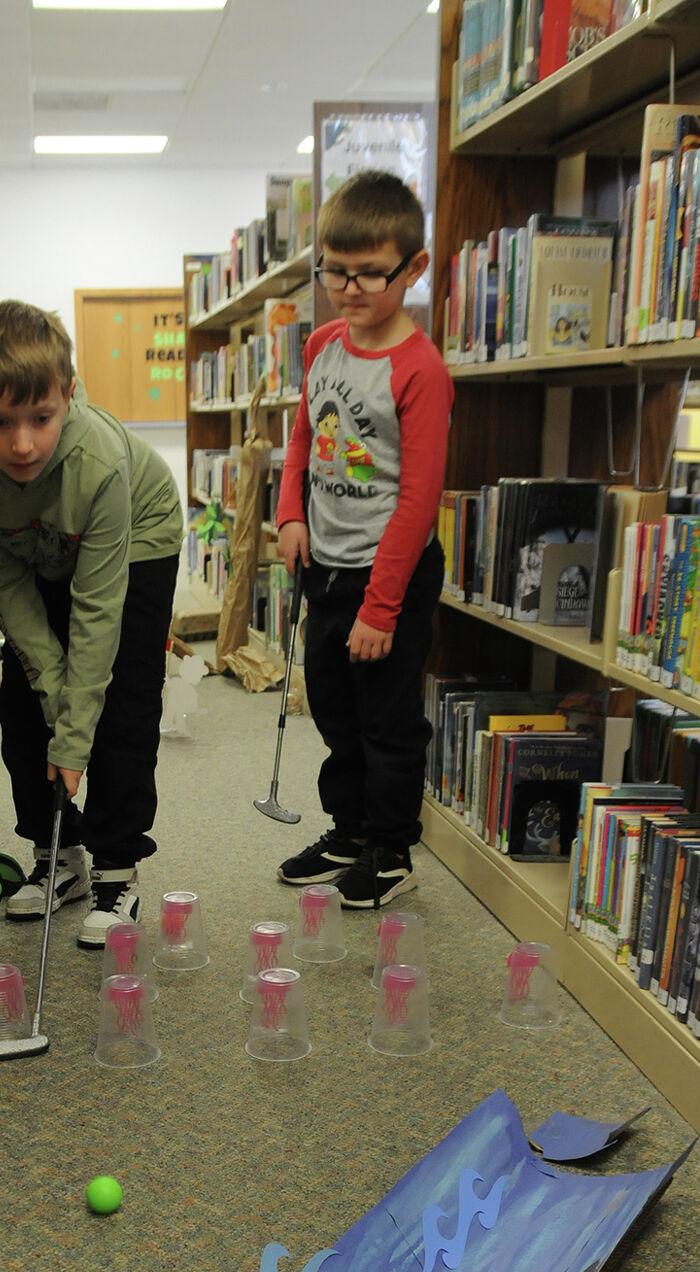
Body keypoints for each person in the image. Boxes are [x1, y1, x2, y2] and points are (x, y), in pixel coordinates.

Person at [0, 300, 182, 948]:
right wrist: (54, 699)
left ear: (68, 395)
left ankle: (117, 868)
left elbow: (98, 613)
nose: (22, 444)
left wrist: (74, 740)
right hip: (38, 551)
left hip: (137, 538)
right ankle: (60, 853)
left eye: (41, 419)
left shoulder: (99, 461)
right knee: (23, 707)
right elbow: (6, 585)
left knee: (121, 704)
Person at [276, 169, 454, 907]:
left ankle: (390, 847)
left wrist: (381, 607)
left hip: (391, 574)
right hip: (326, 565)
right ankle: (349, 830)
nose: (349, 289)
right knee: (333, 707)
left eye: (370, 273)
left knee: (386, 720)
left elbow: (418, 501)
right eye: (335, 271)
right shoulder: (323, 343)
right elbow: (302, 437)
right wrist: (290, 512)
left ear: (413, 267)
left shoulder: (420, 370)